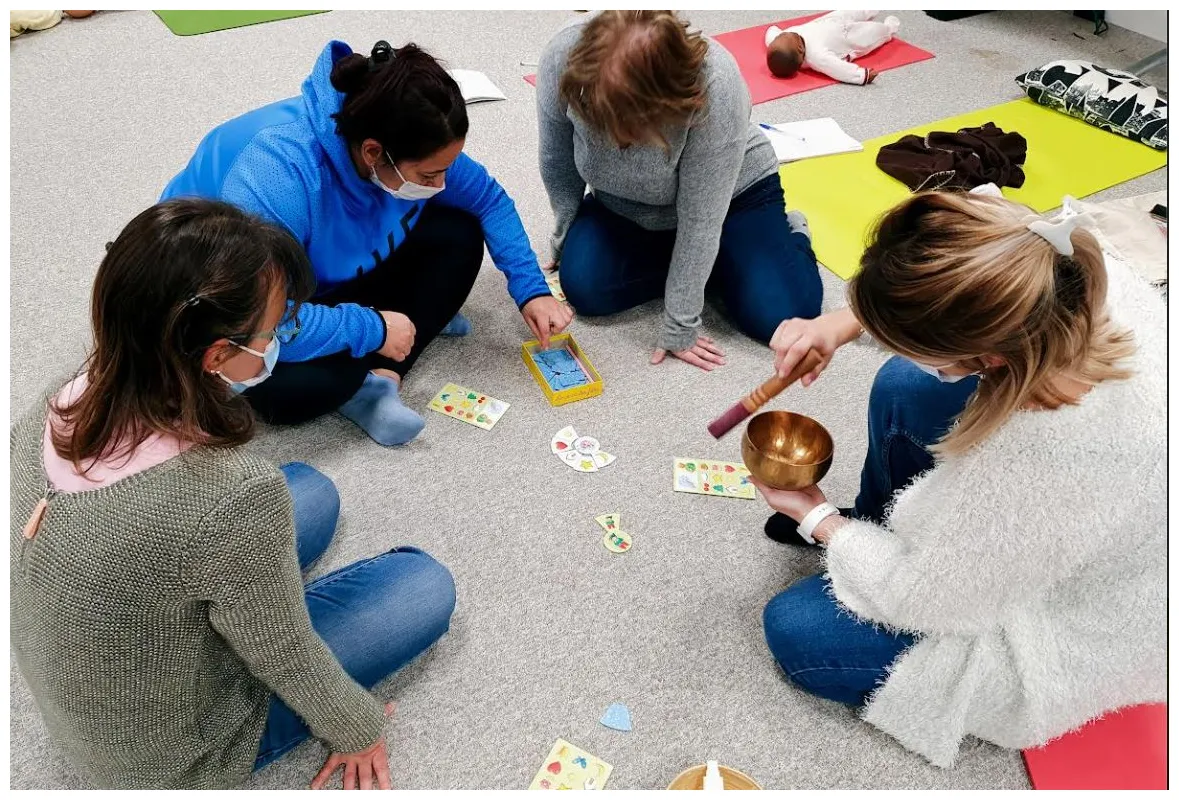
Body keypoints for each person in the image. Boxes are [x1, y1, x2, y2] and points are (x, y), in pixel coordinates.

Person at [10, 199, 457, 789]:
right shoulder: (232, 496)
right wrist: (358, 728)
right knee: (424, 586)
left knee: (313, 491)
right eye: (272, 332)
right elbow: (284, 650)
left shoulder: (59, 397)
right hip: (166, 754)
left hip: (88, 688)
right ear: (217, 354)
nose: (277, 343)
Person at [754, 192, 1165, 767]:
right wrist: (838, 323)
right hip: (1096, 516)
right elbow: (961, 287)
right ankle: (870, 533)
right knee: (905, 384)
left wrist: (818, 518)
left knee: (798, 629)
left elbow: (928, 599)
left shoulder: (1049, 456)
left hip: (1088, 619)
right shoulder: (1058, 271)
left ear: (988, 357)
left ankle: (860, 541)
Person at [163, 39, 572, 446]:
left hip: (319, 275)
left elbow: (488, 200)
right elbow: (265, 322)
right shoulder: (275, 179)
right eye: (429, 176)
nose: (441, 184)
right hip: (245, 305)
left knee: (460, 235)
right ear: (374, 152)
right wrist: (372, 328)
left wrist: (531, 290)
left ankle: (383, 377)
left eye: (444, 171)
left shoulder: (411, 136)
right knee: (289, 390)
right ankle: (377, 357)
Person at [537, 10, 822, 373]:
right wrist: (564, 234)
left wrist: (680, 323)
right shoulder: (563, 56)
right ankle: (713, 266)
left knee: (781, 315)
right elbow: (556, 157)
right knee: (585, 287)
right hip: (625, 207)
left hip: (733, 199)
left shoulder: (717, 84)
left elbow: (701, 219)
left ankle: (788, 235)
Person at [764, 11, 901, 84]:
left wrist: (772, 29)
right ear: (800, 49)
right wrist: (861, 75)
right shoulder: (817, 57)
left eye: (779, 36)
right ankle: (889, 29)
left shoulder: (779, 40)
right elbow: (838, 69)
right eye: (785, 35)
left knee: (849, 11)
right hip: (847, 38)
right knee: (872, 32)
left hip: (830, 21)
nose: (784, 32)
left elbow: (771, 35)